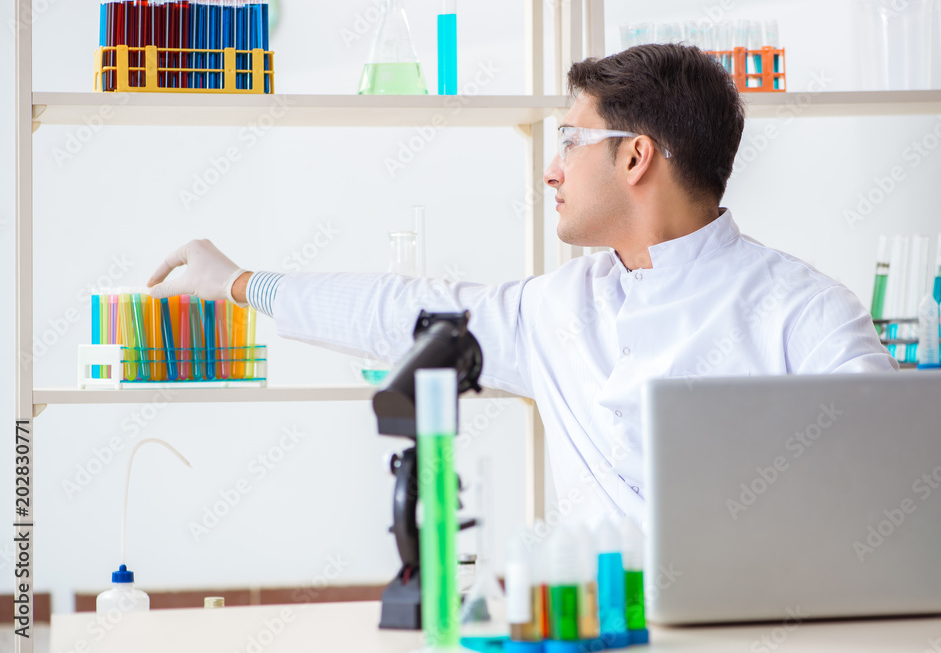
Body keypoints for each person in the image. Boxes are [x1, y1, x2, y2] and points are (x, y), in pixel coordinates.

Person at [148, 44, 896, 529]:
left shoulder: (806, 312)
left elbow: (890, 478)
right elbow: (402, 309)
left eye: (570, 141)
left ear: (636, 157)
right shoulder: (560, 307)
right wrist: (244, 284)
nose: (552, 169)